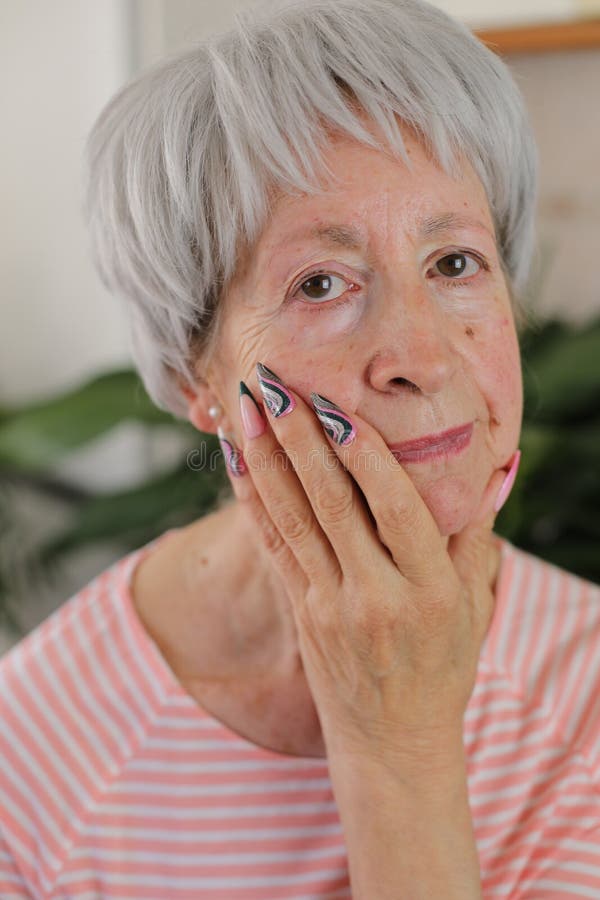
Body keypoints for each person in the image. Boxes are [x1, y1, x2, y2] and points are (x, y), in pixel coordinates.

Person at [1, 0, 599, 896]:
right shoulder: (35, 754)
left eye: (454, 263)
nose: (425, 357)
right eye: (321, 282)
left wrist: (398, 751)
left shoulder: (585, 692)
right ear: (194, 374)